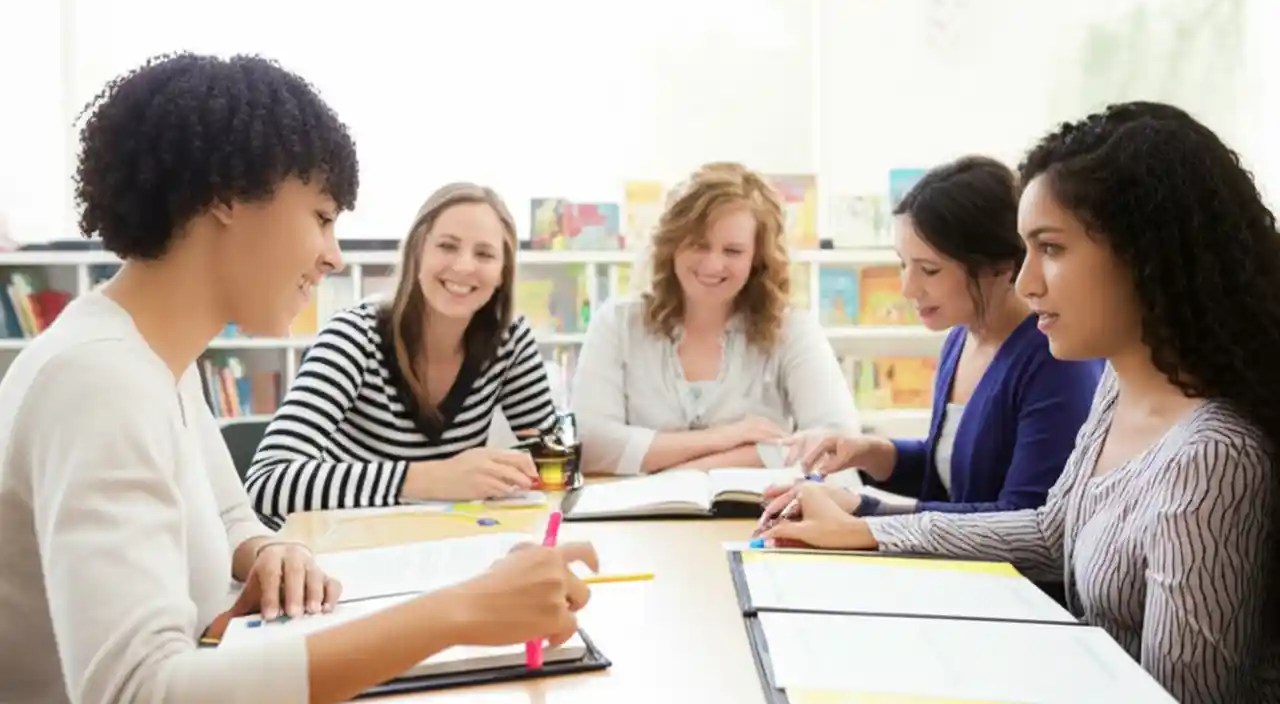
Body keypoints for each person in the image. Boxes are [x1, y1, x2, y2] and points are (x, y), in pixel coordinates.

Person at [0, 53, 596, 704]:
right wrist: (461, 612)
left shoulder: (153, 359)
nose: (334, 255)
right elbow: (142, 692)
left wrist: (263, 552)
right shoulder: (98, 380)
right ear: (226, 194)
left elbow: (229, 514)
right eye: (320, 216)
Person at [761, 102, 1280, 703]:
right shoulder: (1121, 385)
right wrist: (868, 531)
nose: (1027, 282)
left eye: (1051, 249)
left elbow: (1177, 699)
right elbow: (1051, 532)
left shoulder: (1211, 457)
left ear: (1148, 254)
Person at [759, 156, 1102, 525]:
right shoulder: (961, 338)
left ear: (1000, 266)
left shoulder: (1055, 359)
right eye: (904, 264)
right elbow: (951, 477)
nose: (907, 288)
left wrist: (863, 510)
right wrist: (868, 452)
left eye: (929, 270)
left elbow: (1025, 521)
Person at [246, 183, 559, 527]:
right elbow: (266, 483)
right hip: (337, 553)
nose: (464, 266)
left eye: (484, 254)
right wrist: (432, 479)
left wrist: (522, 470)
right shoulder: (353, 337)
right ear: (417, 253)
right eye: (447, 246)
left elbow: (552, 457)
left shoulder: (509, 342)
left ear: (503, 273)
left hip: (434, 547)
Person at [571, 162, 859, 475]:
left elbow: (836, 441)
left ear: (757, 258)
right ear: (672, 245)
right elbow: (591, 445)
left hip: (759, 520)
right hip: (639, 523)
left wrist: (677, 473)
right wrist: (730, 438)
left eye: (733, 251)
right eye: (698, 245)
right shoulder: (617, 324)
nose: (713, 264)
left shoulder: (791, 329)